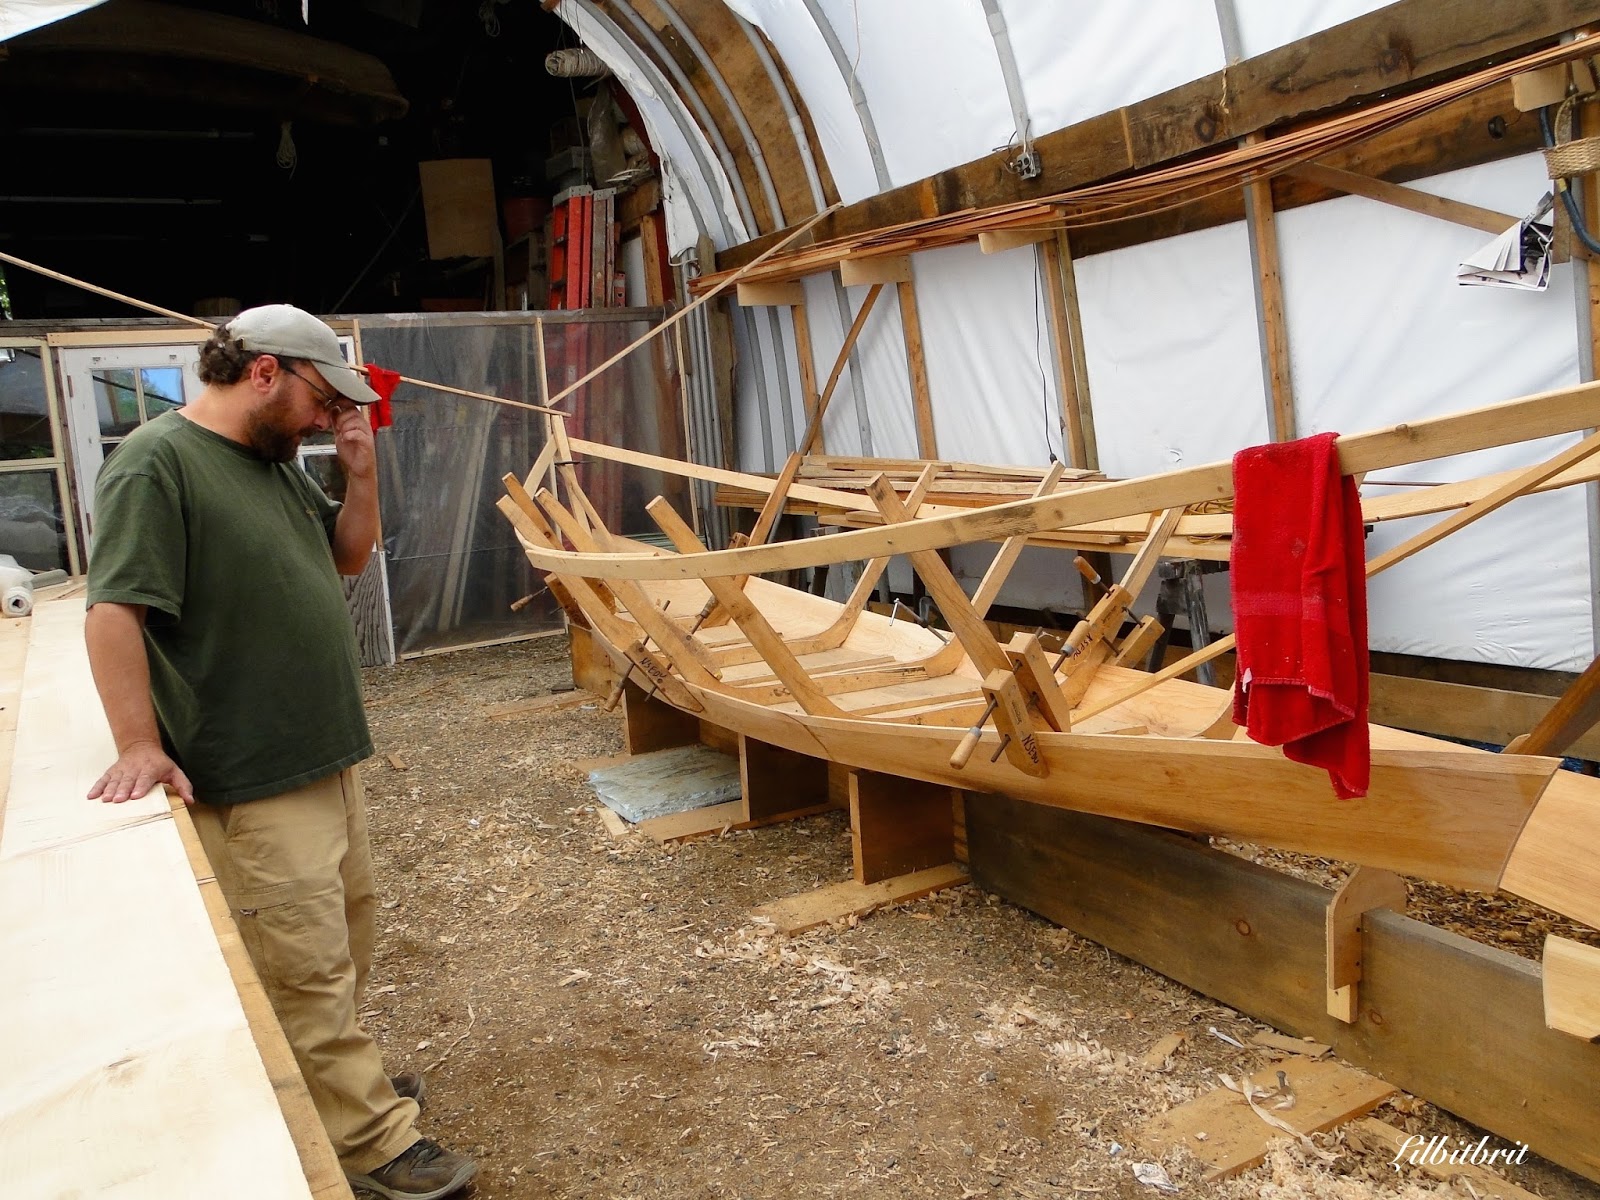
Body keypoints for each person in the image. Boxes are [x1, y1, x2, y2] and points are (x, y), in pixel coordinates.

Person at [84, 304, 478, 1200]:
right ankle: (369, 1142)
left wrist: (359, 473)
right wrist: (139, 743)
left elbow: (345, 558)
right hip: (249, 771)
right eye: (315, 399)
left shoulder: (270, 465)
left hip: (322, 755)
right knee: (303, 967)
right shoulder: (158, 463)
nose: (321, 418)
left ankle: (339, 1084)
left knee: (343, 943)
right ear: (263, 372)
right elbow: (115, 610)